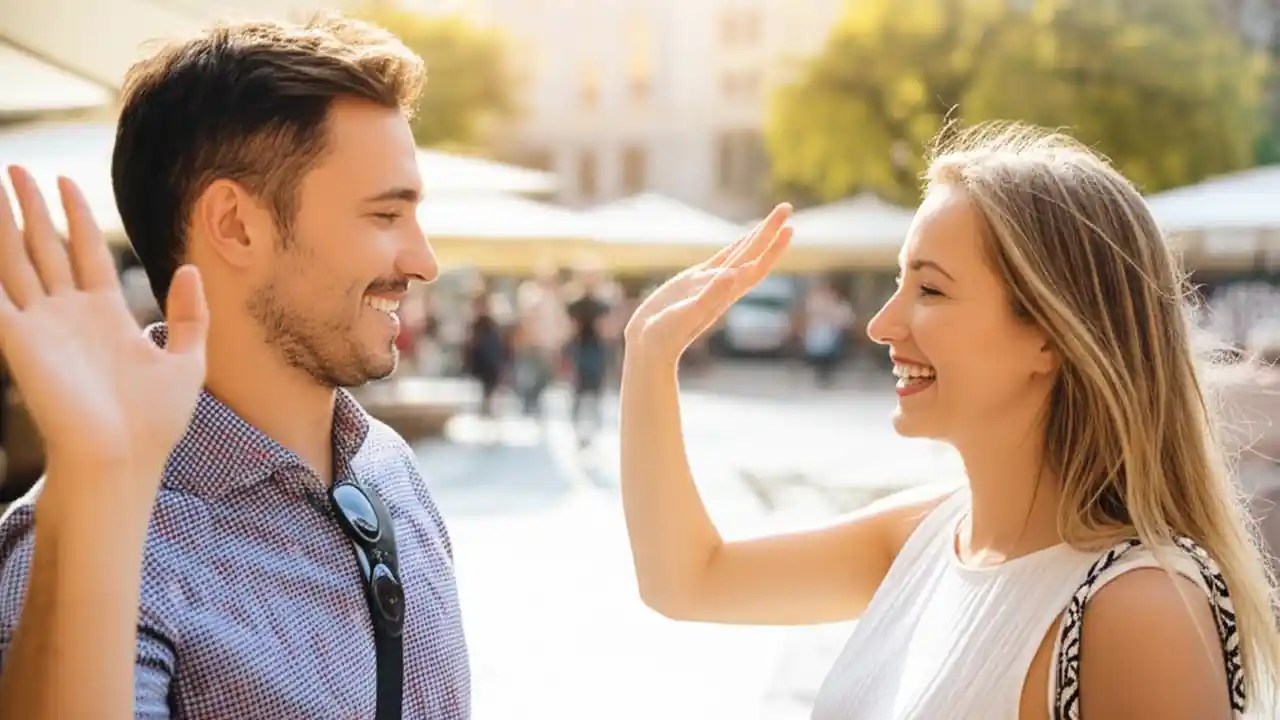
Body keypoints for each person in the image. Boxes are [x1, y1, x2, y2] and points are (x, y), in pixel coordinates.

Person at [619, 123, 1280, 719]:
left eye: (929, 289)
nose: (881, 324)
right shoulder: (927, 536)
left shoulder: (1138, 609)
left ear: (1052, 334)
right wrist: (648, 353)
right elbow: (687, 580)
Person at [0, 16, 470, 719]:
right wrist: (97, 479)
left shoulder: (388, 467)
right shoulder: (93, 546)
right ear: (235, 225)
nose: (423, 261)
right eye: (383, 216)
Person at [566, 268, 613, 447]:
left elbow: (607, 330)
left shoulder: (600, 304)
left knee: (592, 392)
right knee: (580, 392)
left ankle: (589, 431)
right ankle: (581, 431)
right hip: (582, 350)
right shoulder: (576, 303)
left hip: (593, 350)